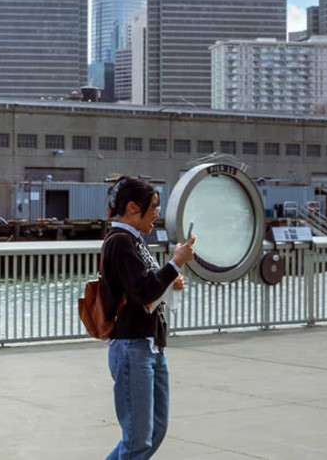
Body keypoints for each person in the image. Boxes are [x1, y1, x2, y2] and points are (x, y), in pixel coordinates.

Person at [101, 176, 194, 459]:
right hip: (133, 346)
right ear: (132, 207)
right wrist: (175, 263)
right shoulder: (120, 243)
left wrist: (169, 280)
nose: (157, 213)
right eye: (152, 207)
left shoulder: (134, 241)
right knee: (138, 440)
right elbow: (142, 291)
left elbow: (148, 286)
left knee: (154, 431)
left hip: (149, 345)